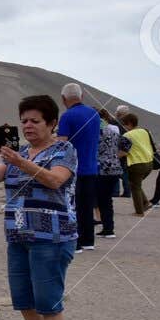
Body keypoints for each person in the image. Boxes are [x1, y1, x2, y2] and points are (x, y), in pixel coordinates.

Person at [0, 94, 77, 320]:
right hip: (18, 233)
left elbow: (54, 180)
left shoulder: (64, 150)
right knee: (23, 299)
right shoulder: (19, 152)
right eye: (24, 120)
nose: (27, 126)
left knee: (48, 300)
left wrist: (21, 163)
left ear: (51, 123)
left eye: (34, 121)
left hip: (51, 236)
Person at [57, 83, 102, 252]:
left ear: (63, 99)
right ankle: (88, 241)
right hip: (91, 167)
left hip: (73, 169)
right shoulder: (94, 114)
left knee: (72, 206)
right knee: (86, 205)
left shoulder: (67, 116)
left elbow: (62, 143)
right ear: (81, 96)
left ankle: (75, 243)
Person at [118, 111, 155, 216]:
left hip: (136, 164)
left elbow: (124, 152)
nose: (123, 126)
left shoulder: (127, 135)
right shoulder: (144, 131)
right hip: (149, 162)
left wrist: (114, 157)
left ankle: (139, 211)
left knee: (135, 187)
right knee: (135, 184)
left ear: (129, 123)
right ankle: (146, 203)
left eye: (124, 124)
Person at [94, 108, 121, 236]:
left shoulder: (97, 132)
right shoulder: (112, 130)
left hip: (103, 169)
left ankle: (107, 228)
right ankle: (108, 229)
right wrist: (116, 155)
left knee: (101, 200)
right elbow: (127, 142)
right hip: (115, 168)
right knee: (107, 200)